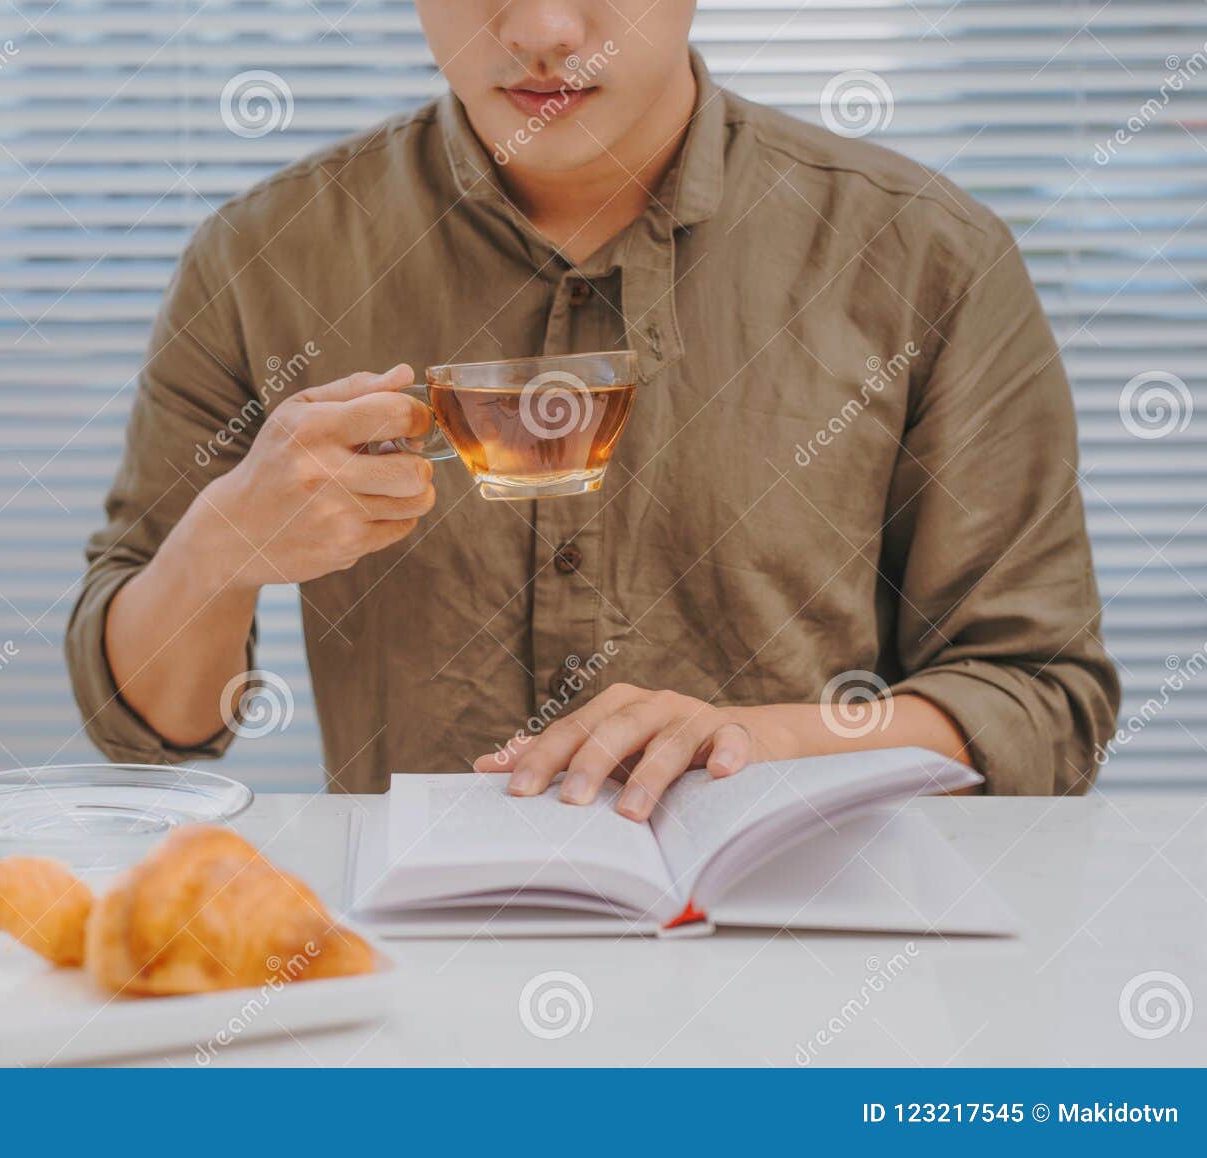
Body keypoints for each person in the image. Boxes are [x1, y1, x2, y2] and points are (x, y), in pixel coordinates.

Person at [66, 0, 1120, 818]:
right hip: (417, 988)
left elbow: (1040, 705)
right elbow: (150, 729)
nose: (541, 34)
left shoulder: (928, 261)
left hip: (799, 975)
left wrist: (747, 739)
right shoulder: (263, 259)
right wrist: (217, 551)